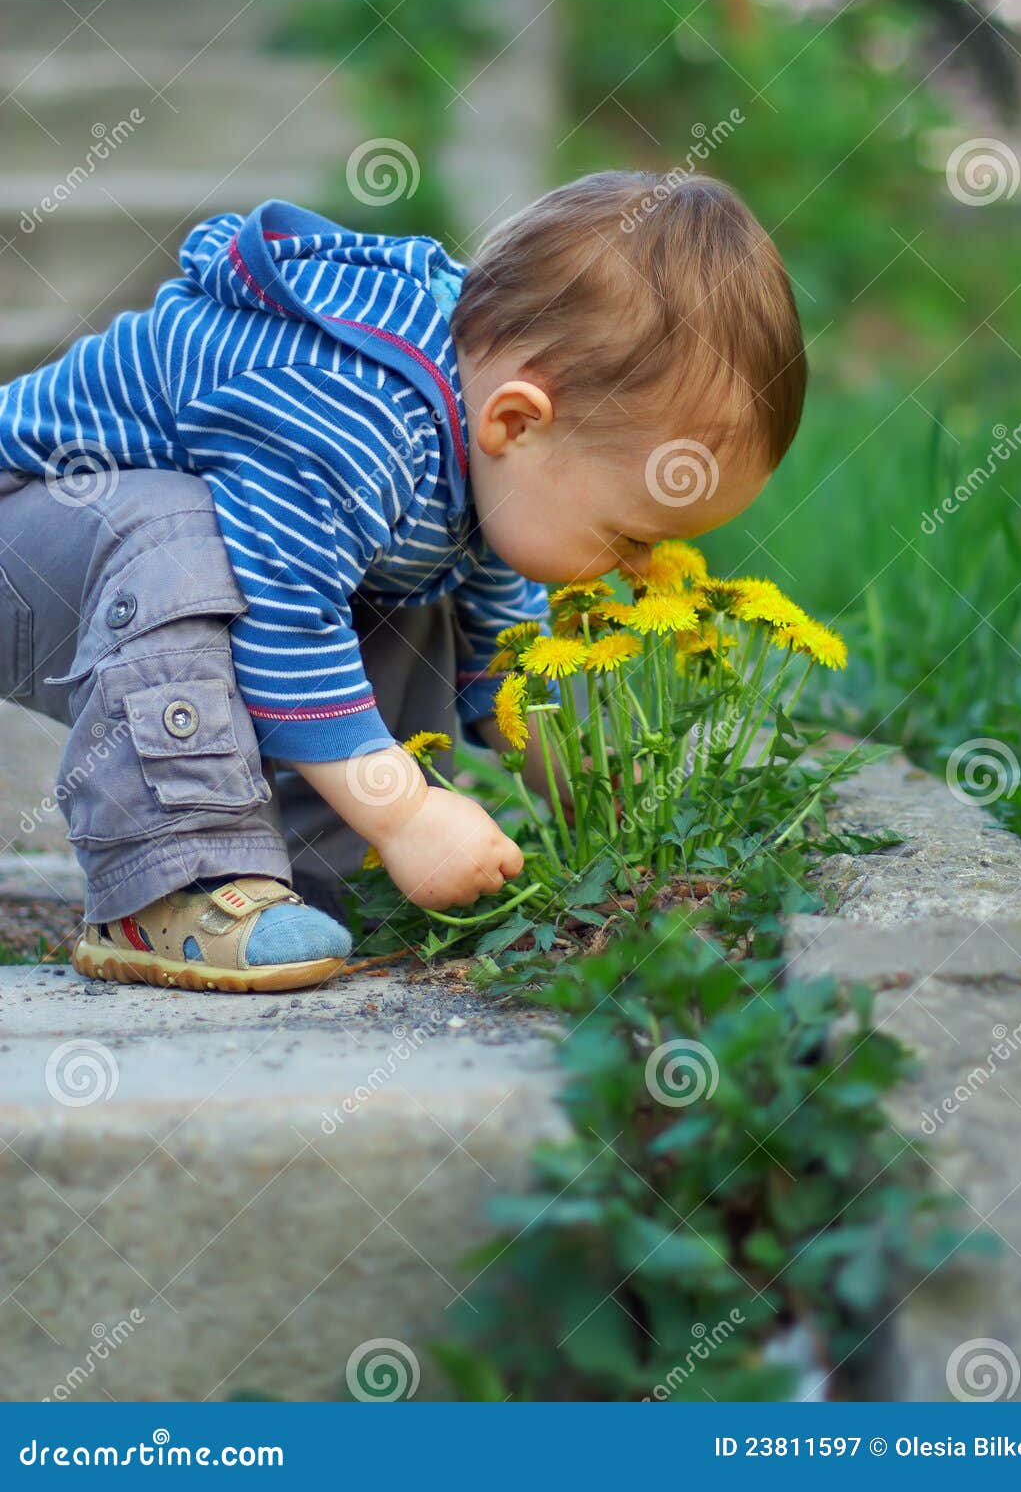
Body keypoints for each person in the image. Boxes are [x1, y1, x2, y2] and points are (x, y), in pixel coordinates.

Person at [0, 170, 806, 992]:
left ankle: (334, 883)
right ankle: (177, 883)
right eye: (632, 536)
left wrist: (605, 793)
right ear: (518, 422)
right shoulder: (360, 421)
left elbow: (504, 666)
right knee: (193, 534)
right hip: (27, 537)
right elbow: (283, 615)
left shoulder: (484, 452)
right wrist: (407, 812)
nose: (642, 571)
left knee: (408, 601)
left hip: (123, 581)